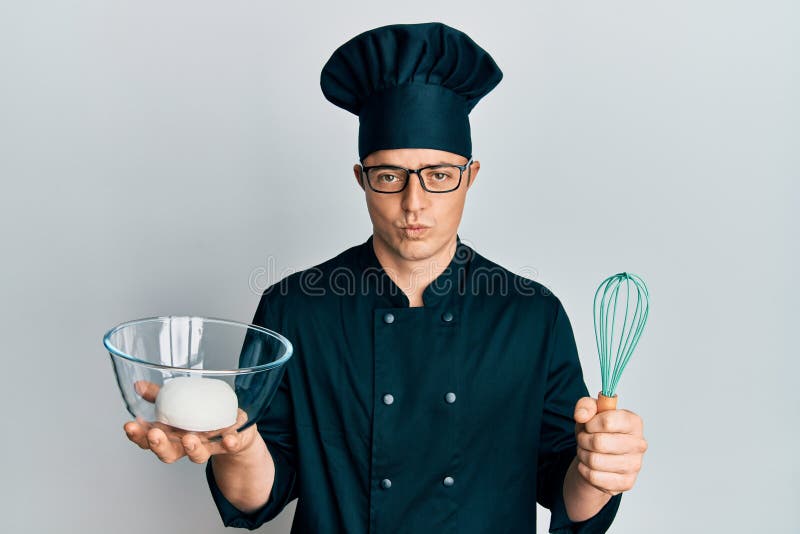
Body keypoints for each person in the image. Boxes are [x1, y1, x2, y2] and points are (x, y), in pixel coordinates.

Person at [124, 22, 647, 533]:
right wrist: (236, 446)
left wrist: (598, 474)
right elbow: (257, 495)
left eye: (439, 175)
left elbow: (566, 493)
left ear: (471, 177)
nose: (413, 203)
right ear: (361, 178)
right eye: (390, 176)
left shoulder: (533, 316)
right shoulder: (295, 309)